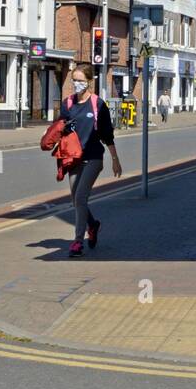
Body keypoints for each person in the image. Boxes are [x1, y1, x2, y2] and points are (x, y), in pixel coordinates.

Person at [62, 66, 122, 258]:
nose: (76, 84)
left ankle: (78, 242)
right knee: (75, 199)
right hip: (74, 158)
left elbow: (107, 135)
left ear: (89, 81)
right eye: (74, 80)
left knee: (80, 198)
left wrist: (115, 159)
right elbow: (59, 127)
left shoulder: (98, 104)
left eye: (80, 80)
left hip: (94, 158)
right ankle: (93, 224)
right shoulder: (68, 103)